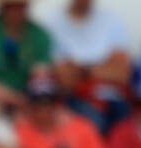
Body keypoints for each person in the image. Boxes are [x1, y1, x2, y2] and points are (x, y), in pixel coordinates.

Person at [44, 0, 132, 132]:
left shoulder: (112, 19)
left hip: (113, 96)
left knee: (125, 125)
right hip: (74, 97)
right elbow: (64, 79)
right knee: (94, 122)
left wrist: (82, 70)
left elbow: (122, 72)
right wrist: (104, 65)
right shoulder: (52, 23)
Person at [0, 0, 53, 110]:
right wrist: (13, 99)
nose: (16, 11)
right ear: (1, 8)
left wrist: (29, 99)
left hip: (27, 97)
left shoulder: (39, 34)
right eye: (10, 7)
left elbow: (40, 75)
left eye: (20, 6)